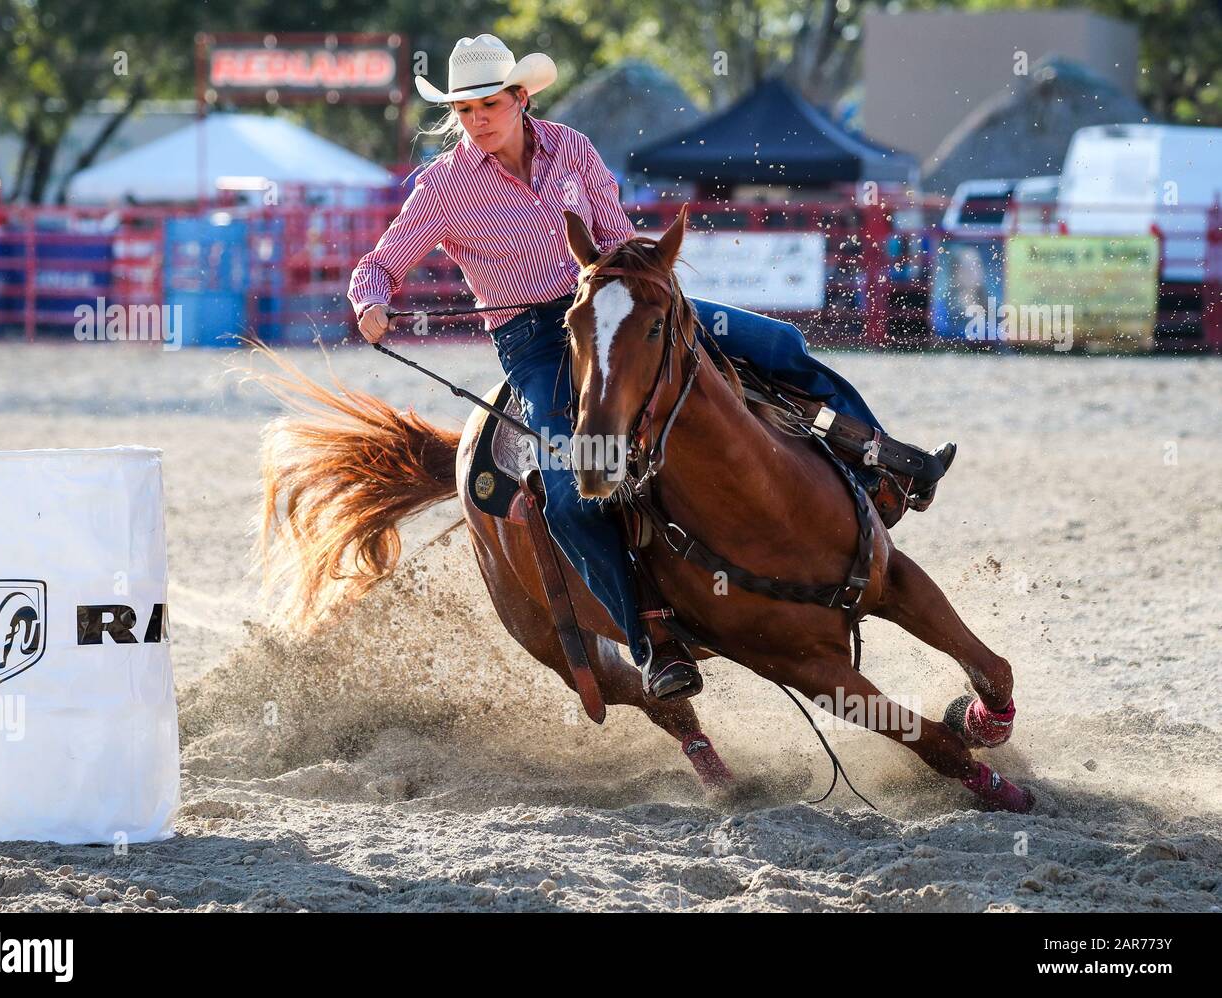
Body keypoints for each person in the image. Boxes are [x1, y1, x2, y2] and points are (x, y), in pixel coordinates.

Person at [349, 33, 954, 701]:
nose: (478, 120)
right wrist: (371, 299)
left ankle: (883, 464)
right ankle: (652, 642)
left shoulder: (572, 150)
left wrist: (639, 284)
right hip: (538, 342)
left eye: (489, 104)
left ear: (522, 98)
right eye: (464, 110)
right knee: (574, 488)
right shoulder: (443, 186)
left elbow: (613, 232)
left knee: (778, 345)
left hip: (623, 303)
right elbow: (378, 263)